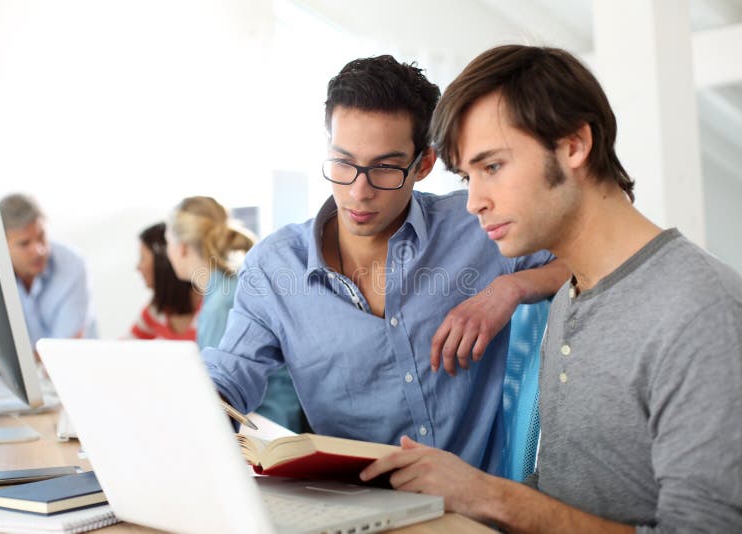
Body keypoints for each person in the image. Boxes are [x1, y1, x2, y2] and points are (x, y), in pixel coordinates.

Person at [360, 45, 742, 532]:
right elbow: (575, 495)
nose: (474, 201)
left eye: (492, 166)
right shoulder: (572, 296)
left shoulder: (700, 309)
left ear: (574, 146)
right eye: (467, 176)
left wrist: (488, 494)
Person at [203, 55, 569, 475]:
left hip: (479, 507)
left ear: (424, 165)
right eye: (343, 163)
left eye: (385, 168)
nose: (360, 192)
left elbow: (580, 258)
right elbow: (229, 379)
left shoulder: (476, 225)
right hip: (358, 507)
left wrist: (511, 288)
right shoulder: (274, 268)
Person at [165, 196, 306, 432]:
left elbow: (213, 391)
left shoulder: (221, 303)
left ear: (181, 248)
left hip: (267, 426)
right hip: (271, 419)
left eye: (166, 241)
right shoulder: (226, 288)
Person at [0, 193, 97, 353]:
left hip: (74, 371)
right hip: (22, 376)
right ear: (0, 247)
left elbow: (62, 353)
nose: (39, 251)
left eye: (42, 236)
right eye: (24, 243)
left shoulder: (72, 266)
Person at [128, 222, 201, 340]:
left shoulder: (210, 307)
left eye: (142, 258)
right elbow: (123, 347)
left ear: (163, 261)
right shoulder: (156, 311)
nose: (138, 267)